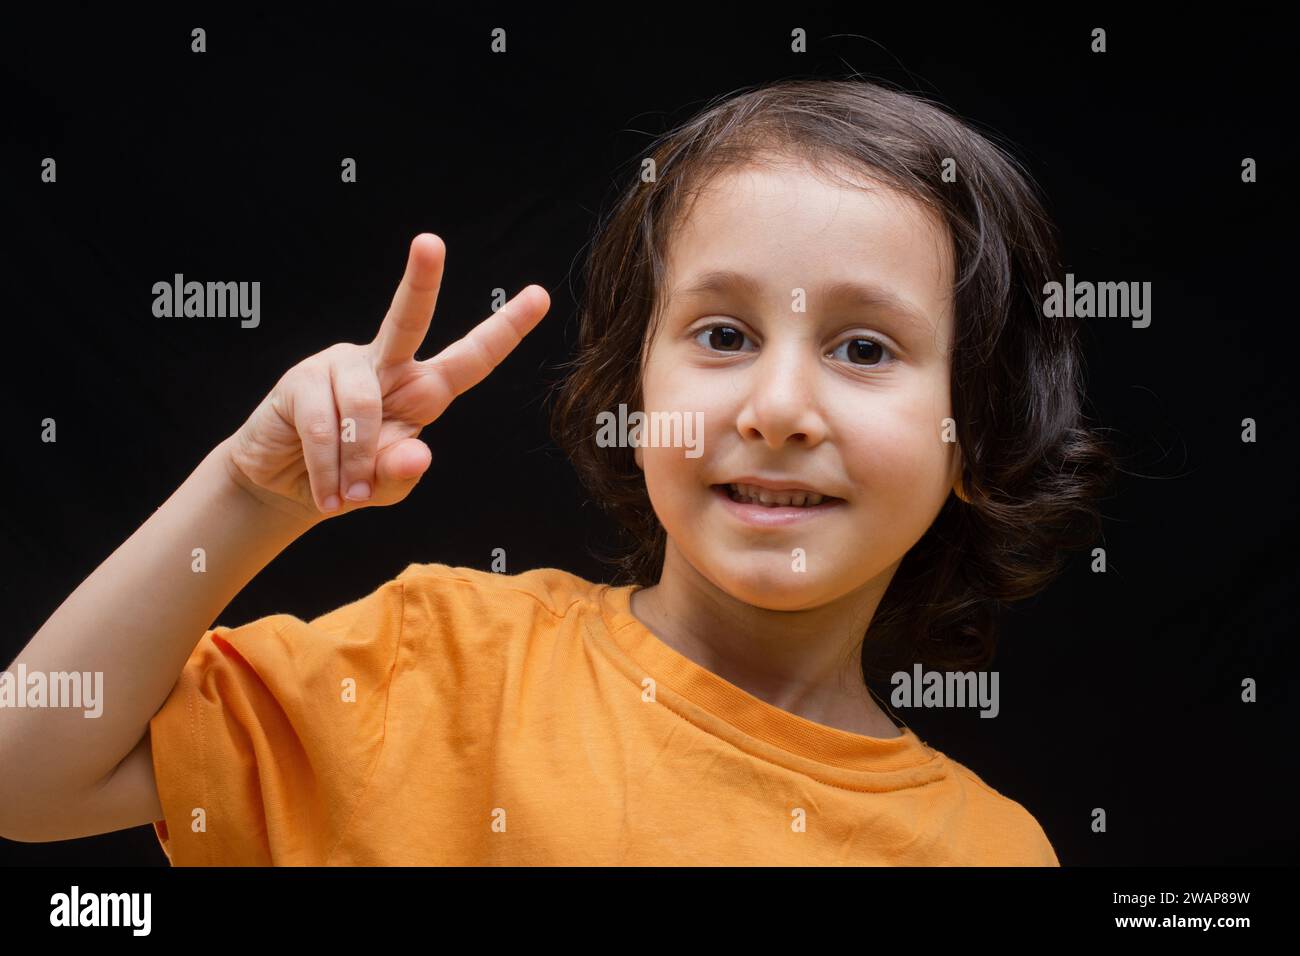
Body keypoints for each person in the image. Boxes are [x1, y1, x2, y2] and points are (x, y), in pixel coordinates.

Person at [0, 76, 1114, 864]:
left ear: (974, 432)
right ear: (634, 394)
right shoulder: (437, 658)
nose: (777, 409)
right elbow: (25, 776)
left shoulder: (989, 850)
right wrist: (246, 495)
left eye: (864, 348)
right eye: (722, 334)